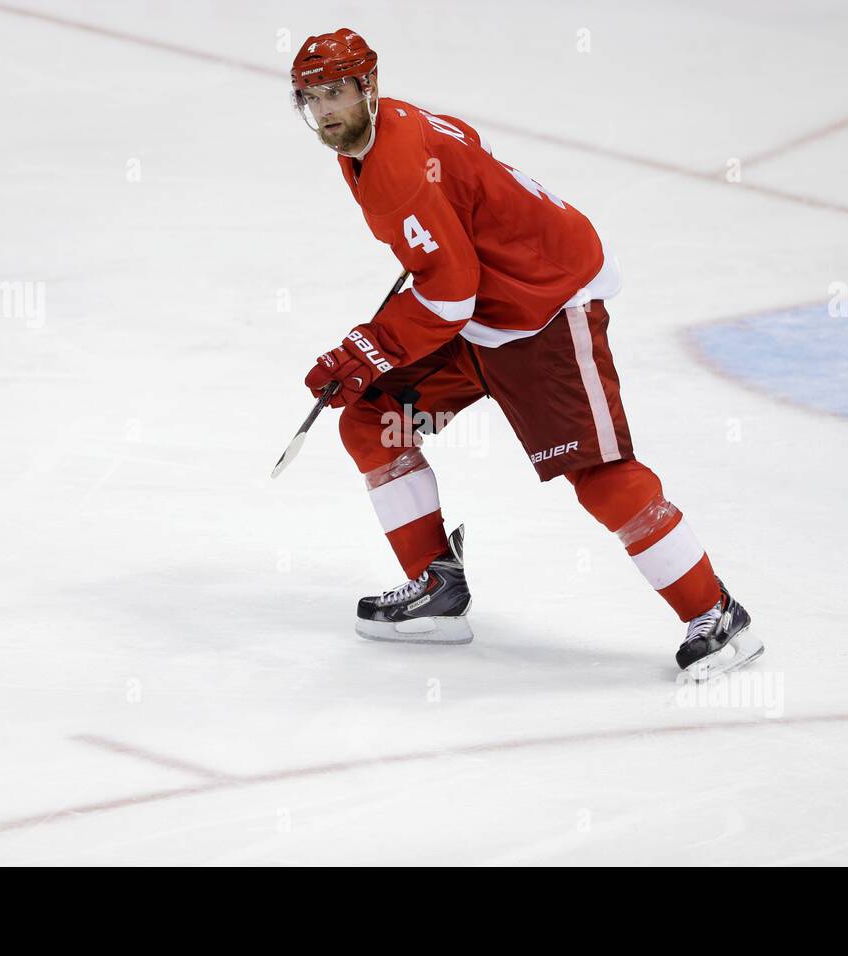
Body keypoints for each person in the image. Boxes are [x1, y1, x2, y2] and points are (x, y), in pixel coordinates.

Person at [291, 28, 762, 679]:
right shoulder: (377, 135)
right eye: (311, 98)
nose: (325, 112)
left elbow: (450, 294)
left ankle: (715, 612)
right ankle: (437, 586)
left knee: (598, 474)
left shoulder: (394, 164)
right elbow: (466, 151)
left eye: (336, 92)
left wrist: (373, 345)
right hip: (484, 316)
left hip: (545, 307)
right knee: (374, 419)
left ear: (368, 85)